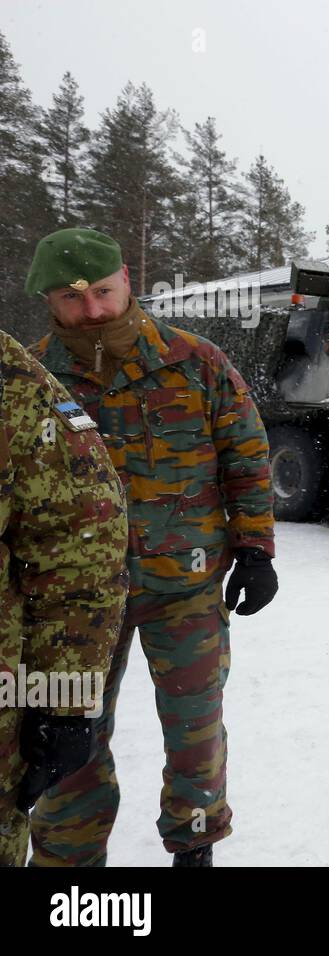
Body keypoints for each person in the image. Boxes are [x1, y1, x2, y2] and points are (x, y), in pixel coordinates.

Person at [24, 227, 278, 866]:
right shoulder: (28, 380)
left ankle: (195, 847)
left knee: (195, 734)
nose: (93, 311)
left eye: (105, 293)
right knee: (67, 738)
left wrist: (256, 550)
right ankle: (71, 870)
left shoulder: (196, 361)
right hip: (70, 602)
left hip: (183, 589)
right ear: (47, 299)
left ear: (129, 277)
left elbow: (245, 457)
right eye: (72, 300)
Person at [0, 330, 128, 867]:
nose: (89, 310)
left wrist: (64, 703)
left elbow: (79, 541)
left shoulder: (13, 380)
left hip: (180, 586)